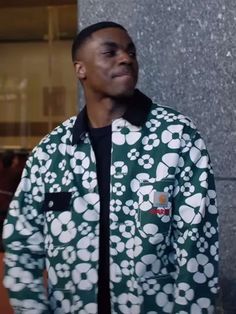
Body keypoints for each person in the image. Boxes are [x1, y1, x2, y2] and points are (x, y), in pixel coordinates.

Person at [3, 21, 218, 313]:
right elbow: (21, 244)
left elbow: (197, 250)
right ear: (81, 69)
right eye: (110, 52)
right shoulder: (51, 151)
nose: (126, 58)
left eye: (131, 51)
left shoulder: (176, 136)